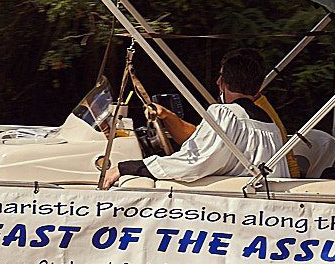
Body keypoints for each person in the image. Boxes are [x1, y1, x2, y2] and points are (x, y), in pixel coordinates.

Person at [101, 49, 290, 186]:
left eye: (220, 76)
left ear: (223, 81)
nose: (217, 81)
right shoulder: (269, 123)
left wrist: (128, 167)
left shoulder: (224, 113)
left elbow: (193, 164)